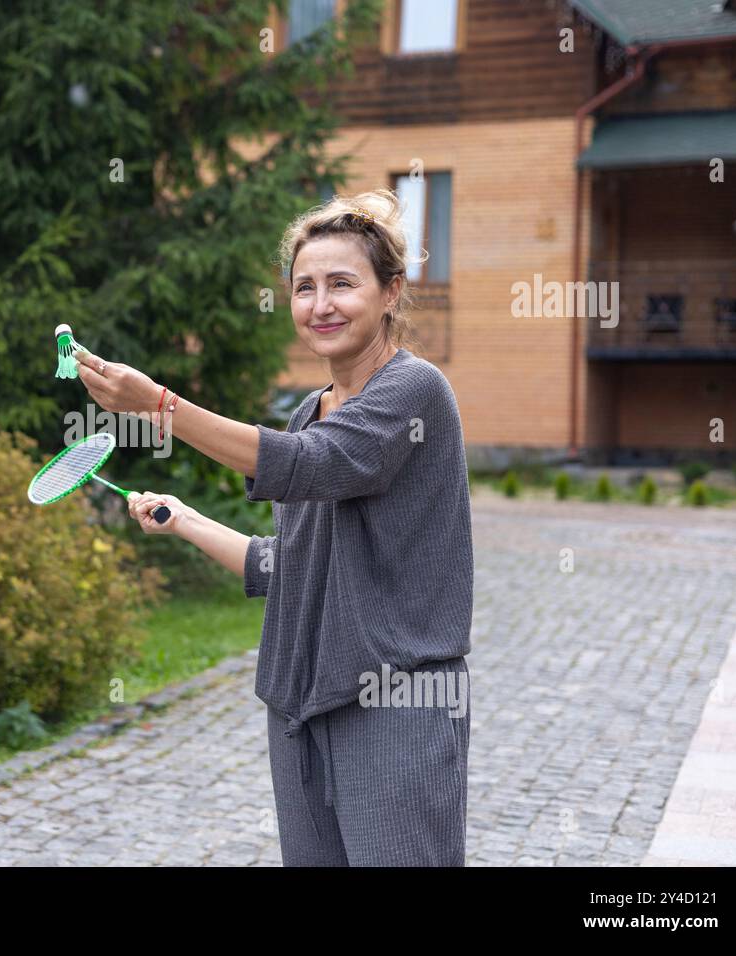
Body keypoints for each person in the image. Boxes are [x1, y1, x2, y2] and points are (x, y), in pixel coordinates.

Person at [75, 187, 474, 866]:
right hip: (298, 709)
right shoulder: (307, 413)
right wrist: (187, 520)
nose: (320, 305)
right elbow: (290, 565)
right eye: (304, 287)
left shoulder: (415, 391)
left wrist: (160, 407)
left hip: (393, 708)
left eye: (342, 284)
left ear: (390, 293)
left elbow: (312, 464)